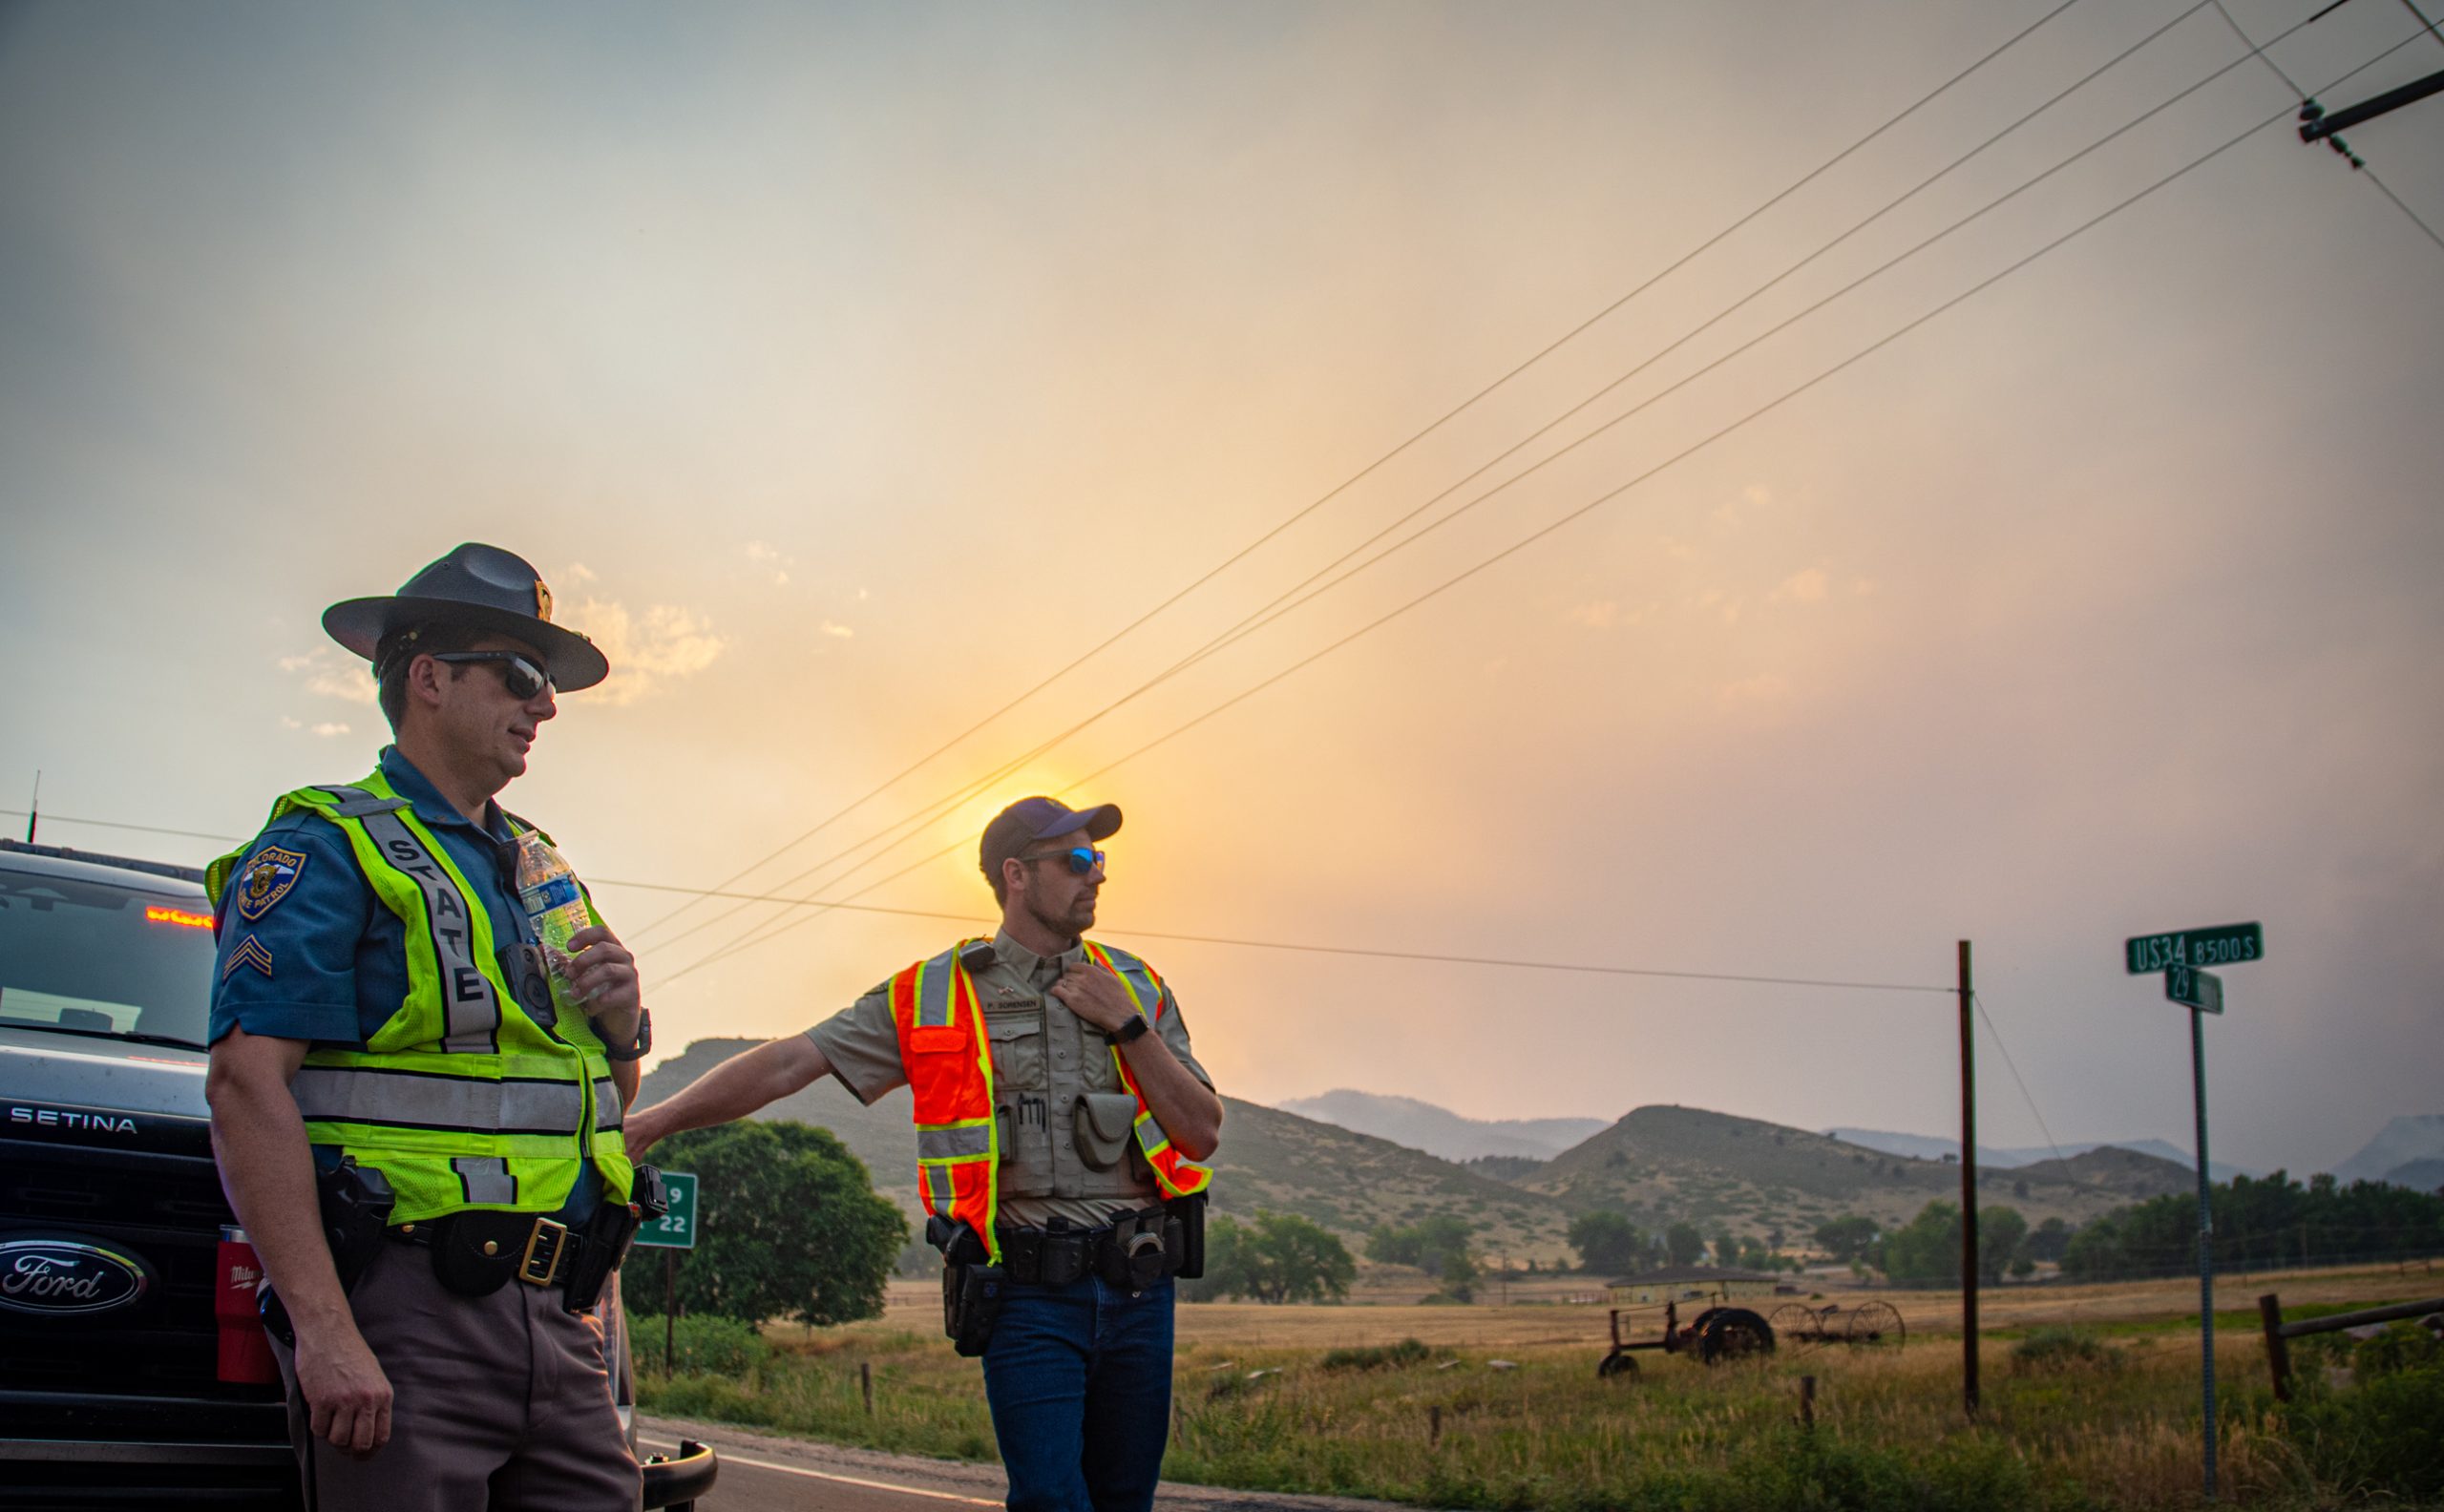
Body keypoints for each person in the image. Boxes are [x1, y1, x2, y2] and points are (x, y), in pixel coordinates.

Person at [203, 542, 654, 1511]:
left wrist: (622, 1032)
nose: (545, 707)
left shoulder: (542, 868)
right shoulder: (324, 845)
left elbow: (605, 1107)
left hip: (561, 1315)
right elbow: (245, 1087)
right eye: (523, 674)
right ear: (430, 677)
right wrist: (326, 1332)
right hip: (405, 1316)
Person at [624, 795, 1223, 1512]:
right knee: (1050, 1500)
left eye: (1100, 861)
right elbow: (792, 1063)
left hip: (1139, 1286)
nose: (1096, 876)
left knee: (1126, 1500)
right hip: (1028, 1293)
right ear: (1016, 875)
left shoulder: (1137, 984)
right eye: (1077, 860)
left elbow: (1201, 1131)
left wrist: (1126, 1023)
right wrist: (652, 1121)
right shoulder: (933, 992)